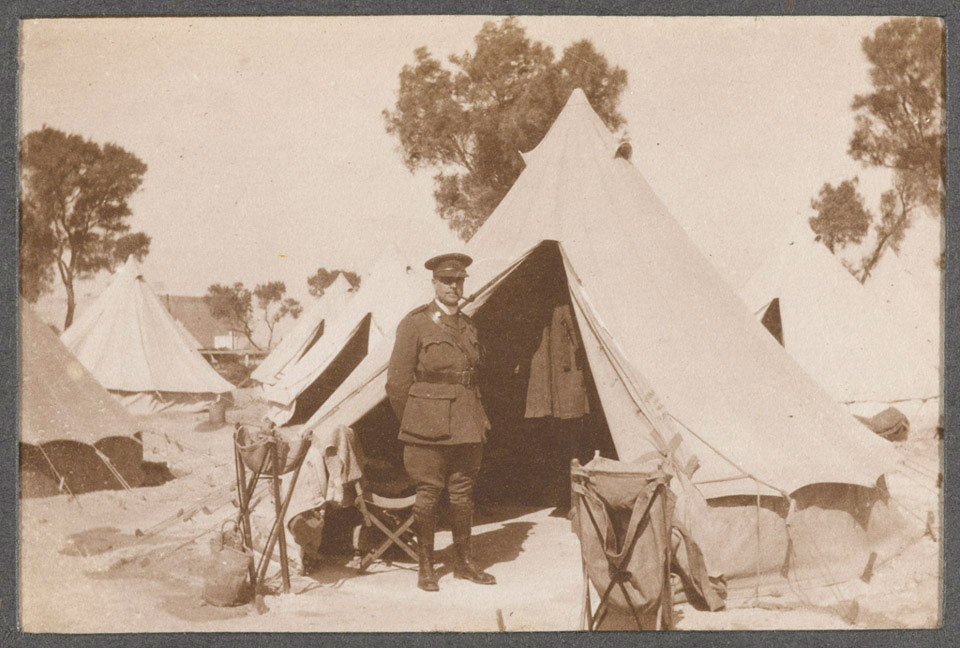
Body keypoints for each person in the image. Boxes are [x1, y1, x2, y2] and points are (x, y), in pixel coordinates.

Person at [386, 252, 496, 592]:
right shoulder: (415, 323)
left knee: (462, 495)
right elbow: (397, 383)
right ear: (434, 283)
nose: (453, 286)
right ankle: (426, 567)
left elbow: (472, 377)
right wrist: (417, 420)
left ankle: (463, 563)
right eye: (446, 280)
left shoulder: (469, 325)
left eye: (458, 280)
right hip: (426, 427)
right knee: (429, 495)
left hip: (466, 422)